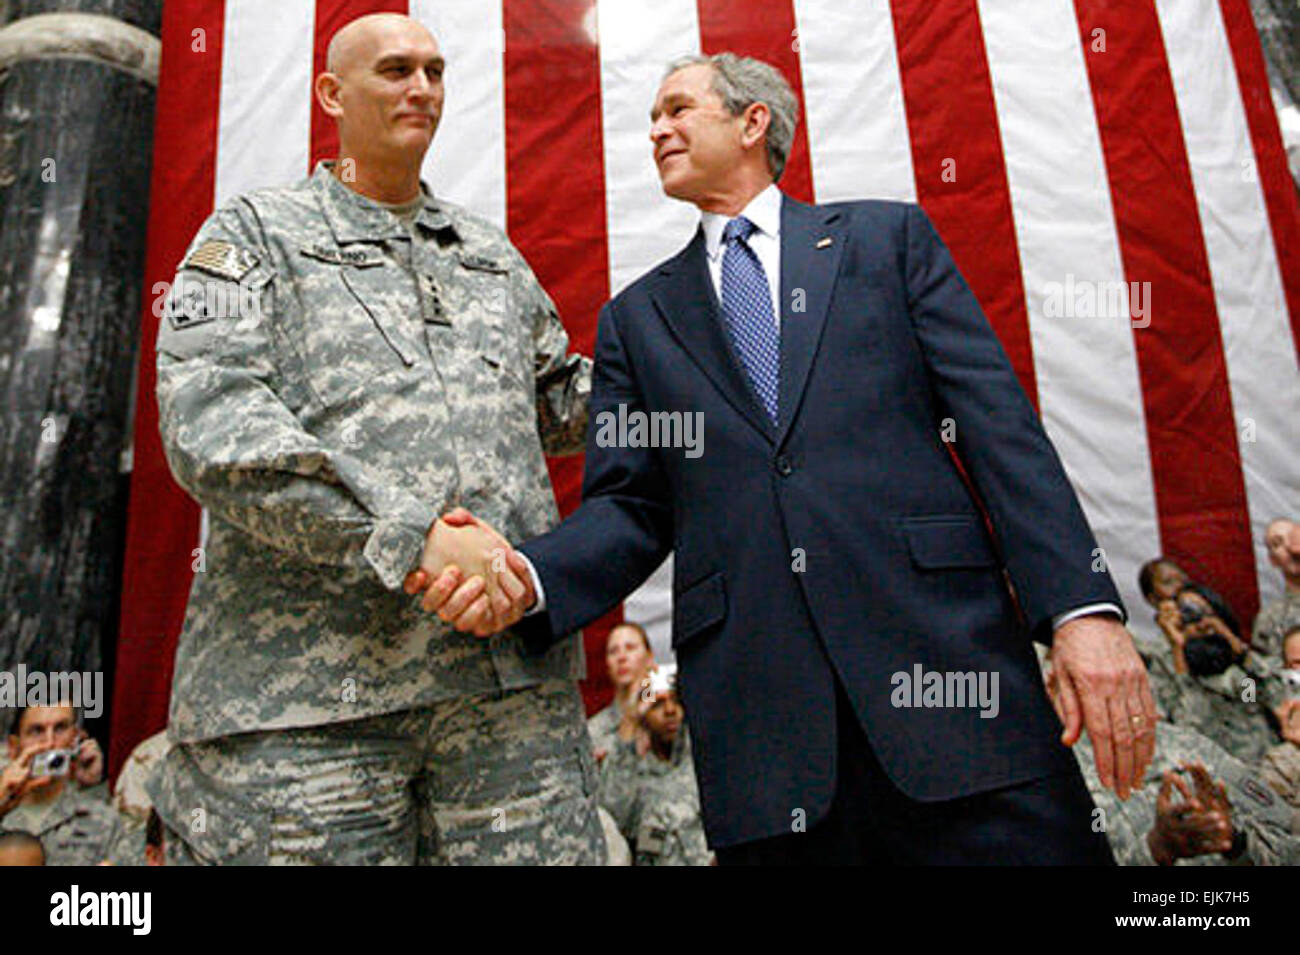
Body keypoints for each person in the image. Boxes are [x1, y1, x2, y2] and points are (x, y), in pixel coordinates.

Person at [420, 53, 1155, 864]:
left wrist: (1082, 612)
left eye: (677, 110)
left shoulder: (887, 241)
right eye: (651, 119)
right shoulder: (637, 320)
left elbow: (1001, 435)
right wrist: (530, 576)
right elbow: (630, 506)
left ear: (752, 122)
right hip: (769, 748)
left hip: (957, 696)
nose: (656, 130)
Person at [148, 13, 601, 865]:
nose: (422, 88)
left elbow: (557, 403)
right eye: (395, 70)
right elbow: (211, 424)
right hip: (308, 709)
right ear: (331, 94)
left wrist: (685, 357)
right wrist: (412, 537)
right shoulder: (248, 235)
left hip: (507, 698)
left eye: (434, 71)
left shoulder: (487, 254)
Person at [1045, 654, 1298, 865]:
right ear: (1050, 685)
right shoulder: (1040, 781)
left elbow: (1290, 847)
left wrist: (1237, 842)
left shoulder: (1186, 746)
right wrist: (1156, 850)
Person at [1148, 586, 1283, 765]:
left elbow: (1261, 700)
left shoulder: (1244, 675)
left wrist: (1236, 647)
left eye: (1205, 613)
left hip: (1265, 771)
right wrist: (1178, 649)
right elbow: (1189, 729)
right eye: (1187, 618)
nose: (1200, 626)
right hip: (1209, 774)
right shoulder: (1167, 673)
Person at [598, 668, 711, 866]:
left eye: (676, 701)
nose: (670, 710)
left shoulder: (702, 760)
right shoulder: (631, 774)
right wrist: (631, 721)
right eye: (658, 704)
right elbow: (615, 815)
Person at [2, 706, 127, 866]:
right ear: (14, 746)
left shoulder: (104, 821)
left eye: (60, 729)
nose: (49, 743)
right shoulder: (2, 809)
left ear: (75, 738)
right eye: (37, 731)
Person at [587, 622, 656, 760]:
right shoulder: (594, 730)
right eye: (613, 651)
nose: (622, 657)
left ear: (649, 657)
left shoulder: (670, 713)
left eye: (630, 648)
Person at [1253, 518, 1300, 659]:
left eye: (1293, 539)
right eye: (1278, 543)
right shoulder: (1269, 619)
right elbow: (1260, 673)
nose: (1290, 548)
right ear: (1273, 559)